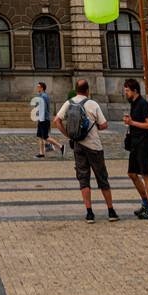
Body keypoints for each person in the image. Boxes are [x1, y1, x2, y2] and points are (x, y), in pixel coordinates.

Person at [54, 78, 118, 222]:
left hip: (78, 146)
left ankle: (89, 213)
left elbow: (56, 121)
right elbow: (104, 125)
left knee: (83, 179)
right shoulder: (92, 104)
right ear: (88, 91)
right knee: (102, 178)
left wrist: (68, 134)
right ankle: (111, 211)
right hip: (94, 146)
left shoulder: (69, 103)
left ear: (76, 90)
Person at [124, 78, 148, 218]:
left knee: (146, 175)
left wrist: (132, 122)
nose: (125, 93)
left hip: (144, 143)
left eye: (127, 90)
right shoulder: (133, 103)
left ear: (134, 90)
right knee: (132, 173)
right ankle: (144, 203)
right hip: (135, 143)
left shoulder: (143, 104)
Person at [30, 81, 64, 158]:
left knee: (45, 137)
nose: (37, 87)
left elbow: (43, 109)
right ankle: (41, 153)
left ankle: (60, 146)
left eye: (38, 86)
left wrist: (39, 117)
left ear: (42, 88)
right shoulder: (42, 95)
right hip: (42, 119)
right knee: (39, 136)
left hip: (43, 119)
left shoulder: (43, 96)